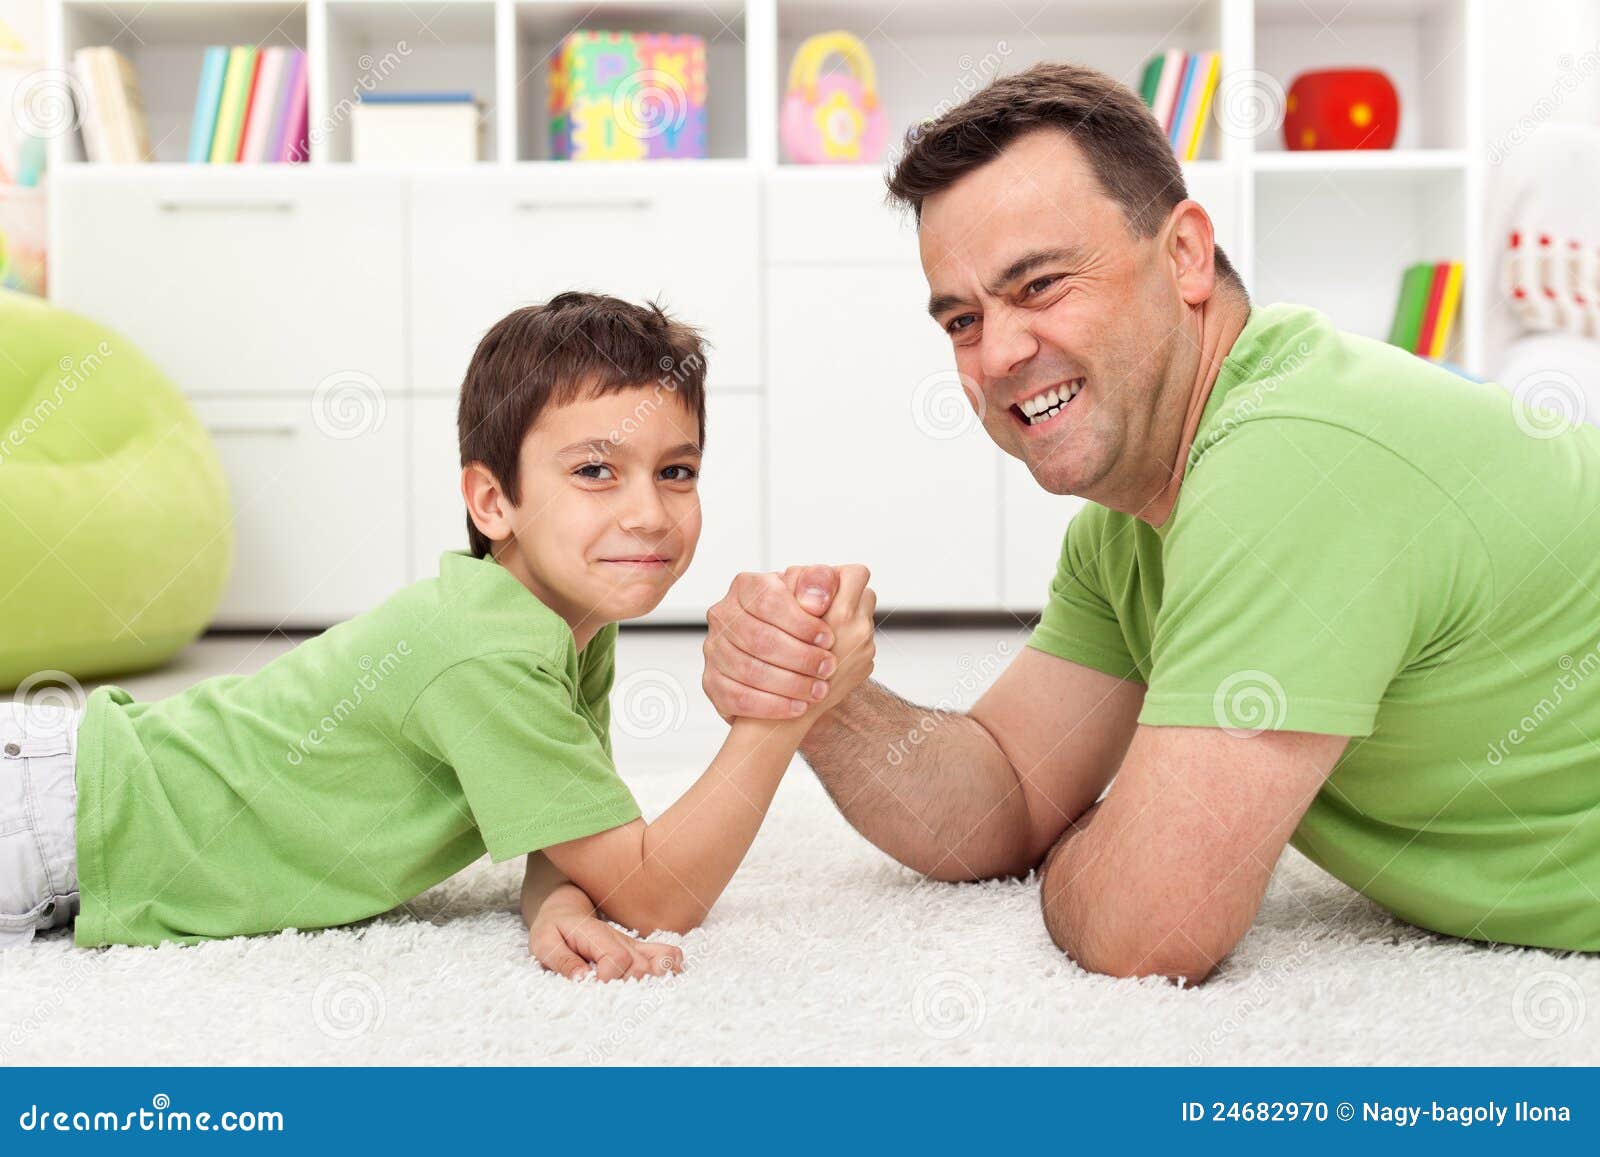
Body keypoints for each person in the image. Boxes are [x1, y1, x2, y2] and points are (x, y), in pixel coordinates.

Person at [699, 62, 1600, 982]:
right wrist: (817, 692)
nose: (999, 354)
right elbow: (1003, 793)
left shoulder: (1290, 455)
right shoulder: (1133, 519)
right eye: (962, 320)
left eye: (1041, 284)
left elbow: (1151, 928)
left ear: (1185, 257)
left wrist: (1095, 845)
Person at [0, 292, 875, 983]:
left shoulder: (564, 624)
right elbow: (655, 891)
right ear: (493, 502)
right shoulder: (484, 650)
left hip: (67, 801)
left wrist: (557, 903)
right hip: (49, 815)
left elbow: (573, 835)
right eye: (595, 471)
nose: (648, 512)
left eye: (675, 471)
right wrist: (785, 708)